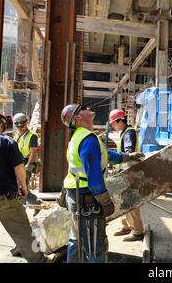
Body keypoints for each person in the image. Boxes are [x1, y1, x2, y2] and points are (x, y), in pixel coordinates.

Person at [0, 113, 54, 263]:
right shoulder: (6, 141)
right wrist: (23, 187)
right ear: (1, 125)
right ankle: (38, 260)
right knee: (23, 233)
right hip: (5, 196)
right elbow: (18, 167)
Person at [61, 104, 144, 263]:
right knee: (95, 246)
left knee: (76, 238)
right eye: (83, 108)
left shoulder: (80, 135)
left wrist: (126, 157)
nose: (88, 108)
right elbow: (94, 177)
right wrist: (105, 201)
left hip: (74, 193)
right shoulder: (88, 139)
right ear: (78, 117)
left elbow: (104, 154)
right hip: (87, 197)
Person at [110, 109, 145, 242]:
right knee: (123, 200)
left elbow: (129, 153)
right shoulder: (125, 132)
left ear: (120, 121)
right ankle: (125, 226)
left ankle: (137, 231)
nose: (113, 125)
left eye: (114, 123)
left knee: (130, 201)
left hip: (129, 172)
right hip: (124, 172)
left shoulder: (128, 133)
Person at [13, 113, 45, 216]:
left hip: (26, 162)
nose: (20, 128)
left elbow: (33, 152)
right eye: (18, 126)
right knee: (22, 186)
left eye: (22, 126)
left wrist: (29, 166)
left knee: (22, 187)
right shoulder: (18, 135)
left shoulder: (32, 136)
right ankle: (37, 203)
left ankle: (21, 209)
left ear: (26, 123)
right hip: (19, 162)